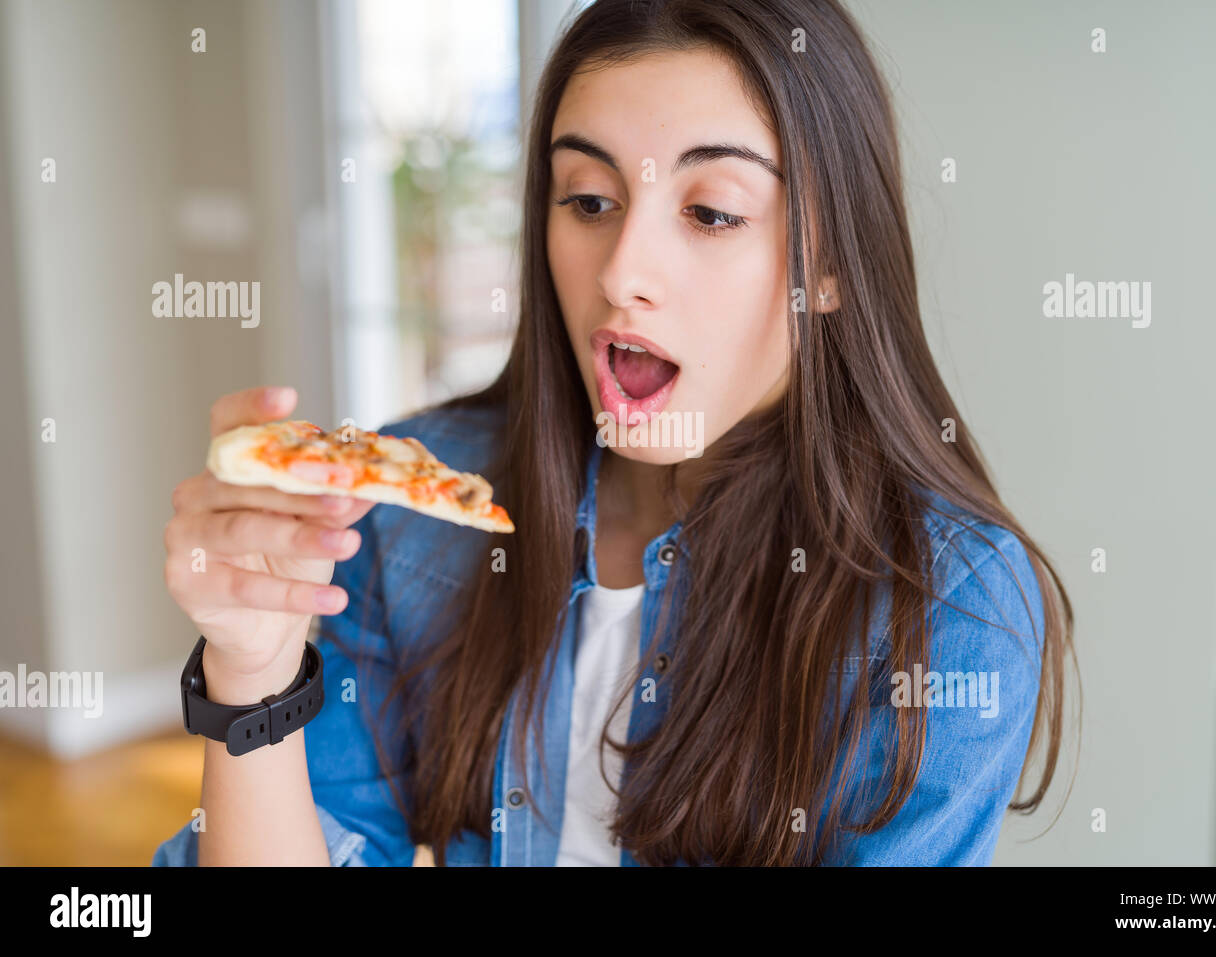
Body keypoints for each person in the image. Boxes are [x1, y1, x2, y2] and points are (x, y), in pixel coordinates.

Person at [154, 0, 1075, 867]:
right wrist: (254, 673)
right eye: (589, 200)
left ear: (828, 264)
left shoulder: (951, 603)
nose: (621, 271)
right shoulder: (403, 513)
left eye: (711, 212)